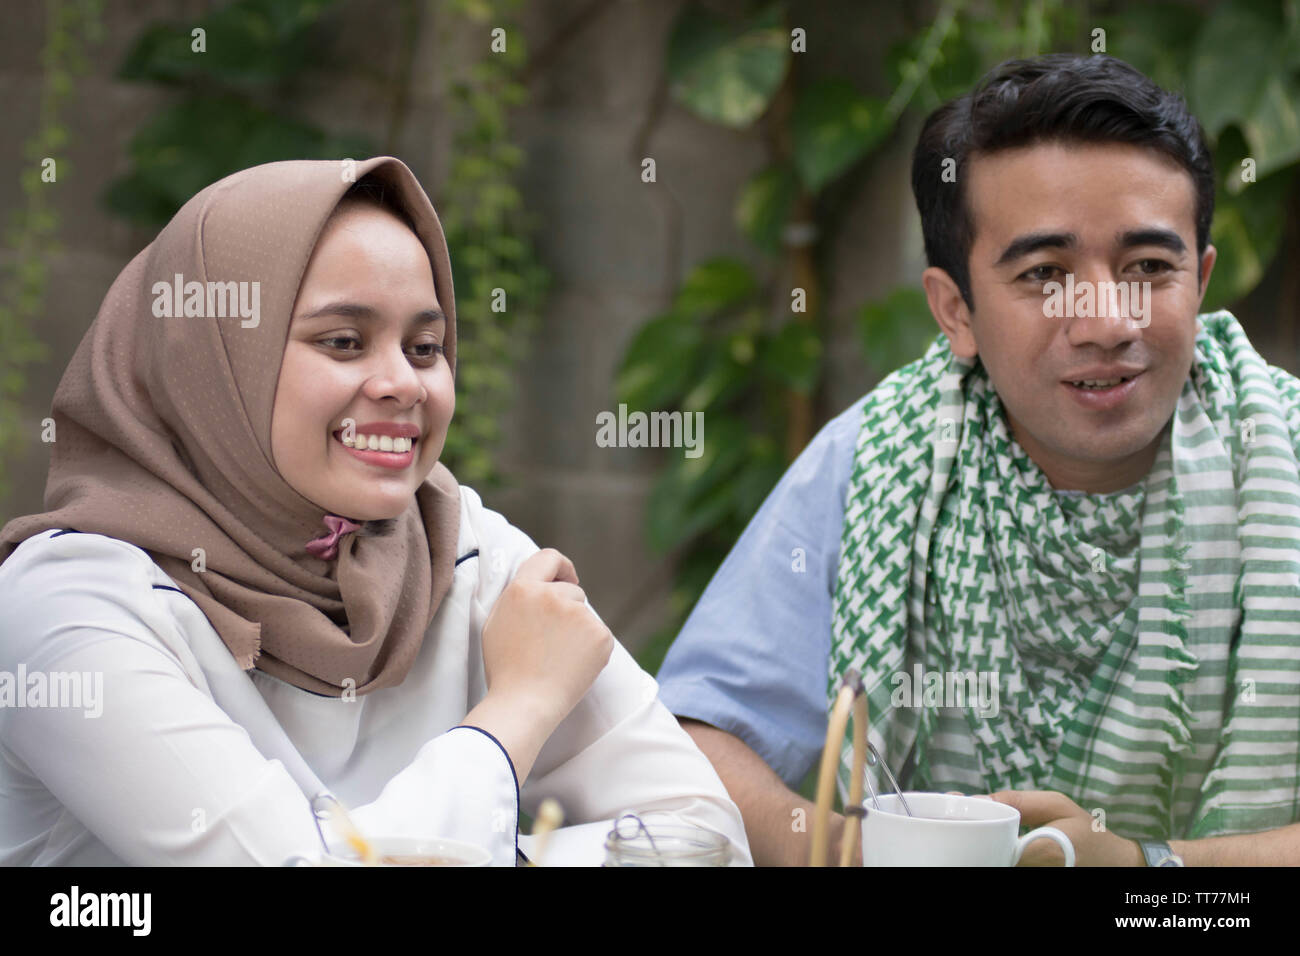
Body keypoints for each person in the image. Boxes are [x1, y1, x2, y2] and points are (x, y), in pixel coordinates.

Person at [0, 156, 751, 867]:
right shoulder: (68, 609)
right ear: (212, 362)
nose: (403, 383)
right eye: (344, 341)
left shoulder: (464, 550)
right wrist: (516, 709)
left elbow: (702, 834)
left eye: (425, 347)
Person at [657, 53, 1300, 867]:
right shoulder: (880, 465)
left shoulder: (1287, 465)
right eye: (1044, 273)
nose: (1105, 319)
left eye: (1148, 267)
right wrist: (859, 854)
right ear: (955, 310)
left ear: (1200, 282)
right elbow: (695, 737)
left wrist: (1151, 871)